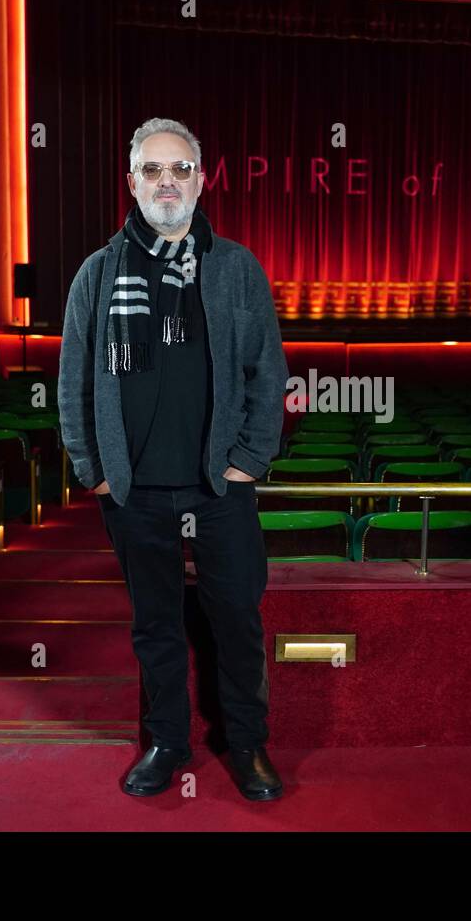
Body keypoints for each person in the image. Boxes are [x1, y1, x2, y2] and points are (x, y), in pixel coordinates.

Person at [58, 117, 289, 801]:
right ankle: (166, 741)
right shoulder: (98, 275)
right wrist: (91, 468)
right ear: (132, 183)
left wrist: (250, 458)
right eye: (153, 170)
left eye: (180, 169)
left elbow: (267, 372)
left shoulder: (236, 267)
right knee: (155, 626)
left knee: (237, 618)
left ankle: (246, 744)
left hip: (220, 487)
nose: (167, 182)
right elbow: (74, 382)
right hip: (135, 491)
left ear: (201, 179)